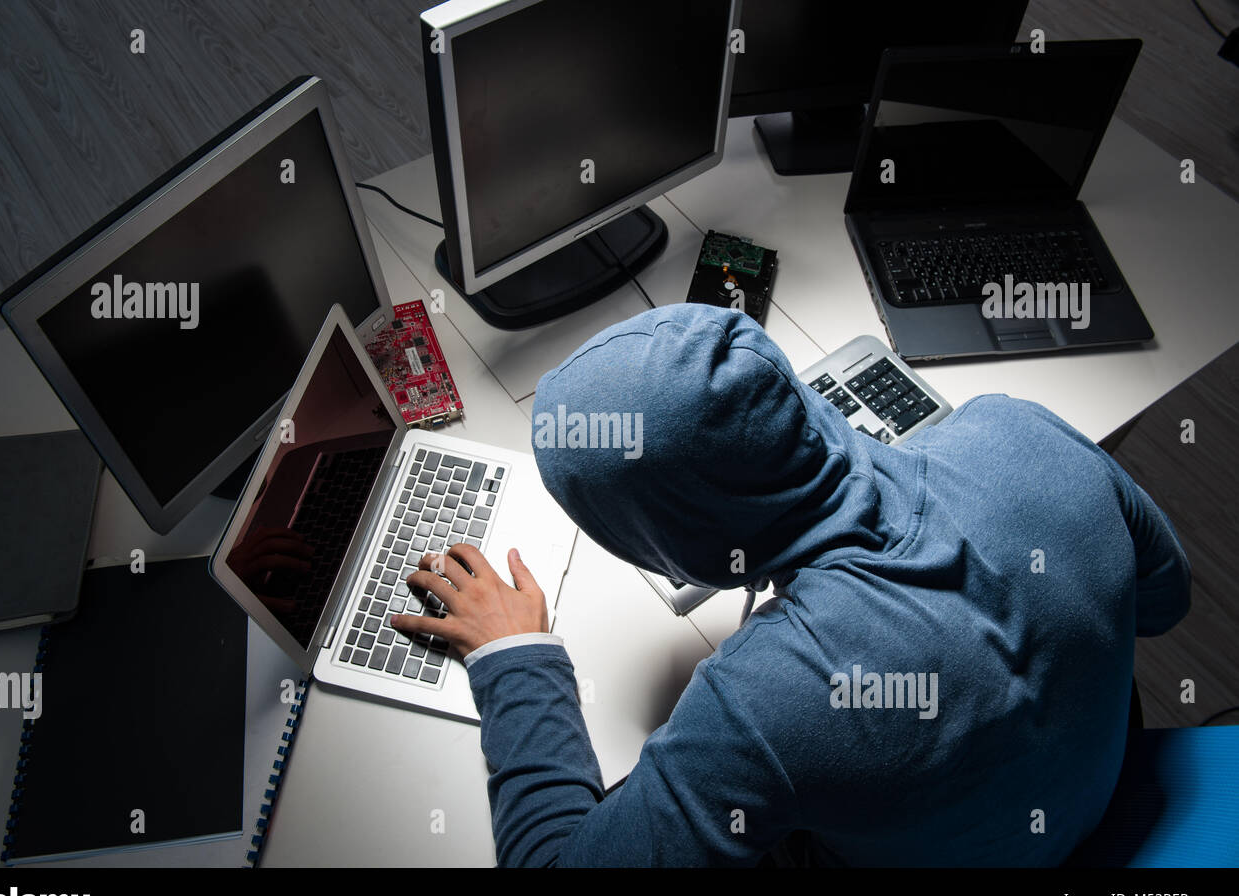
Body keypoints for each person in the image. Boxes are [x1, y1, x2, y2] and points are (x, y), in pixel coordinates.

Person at [391, 305, 1191, 866]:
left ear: (683, 556)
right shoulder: (1015, 426)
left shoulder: (771, 698)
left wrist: (516, 657)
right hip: (1114, 785)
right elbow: (1165, 594)